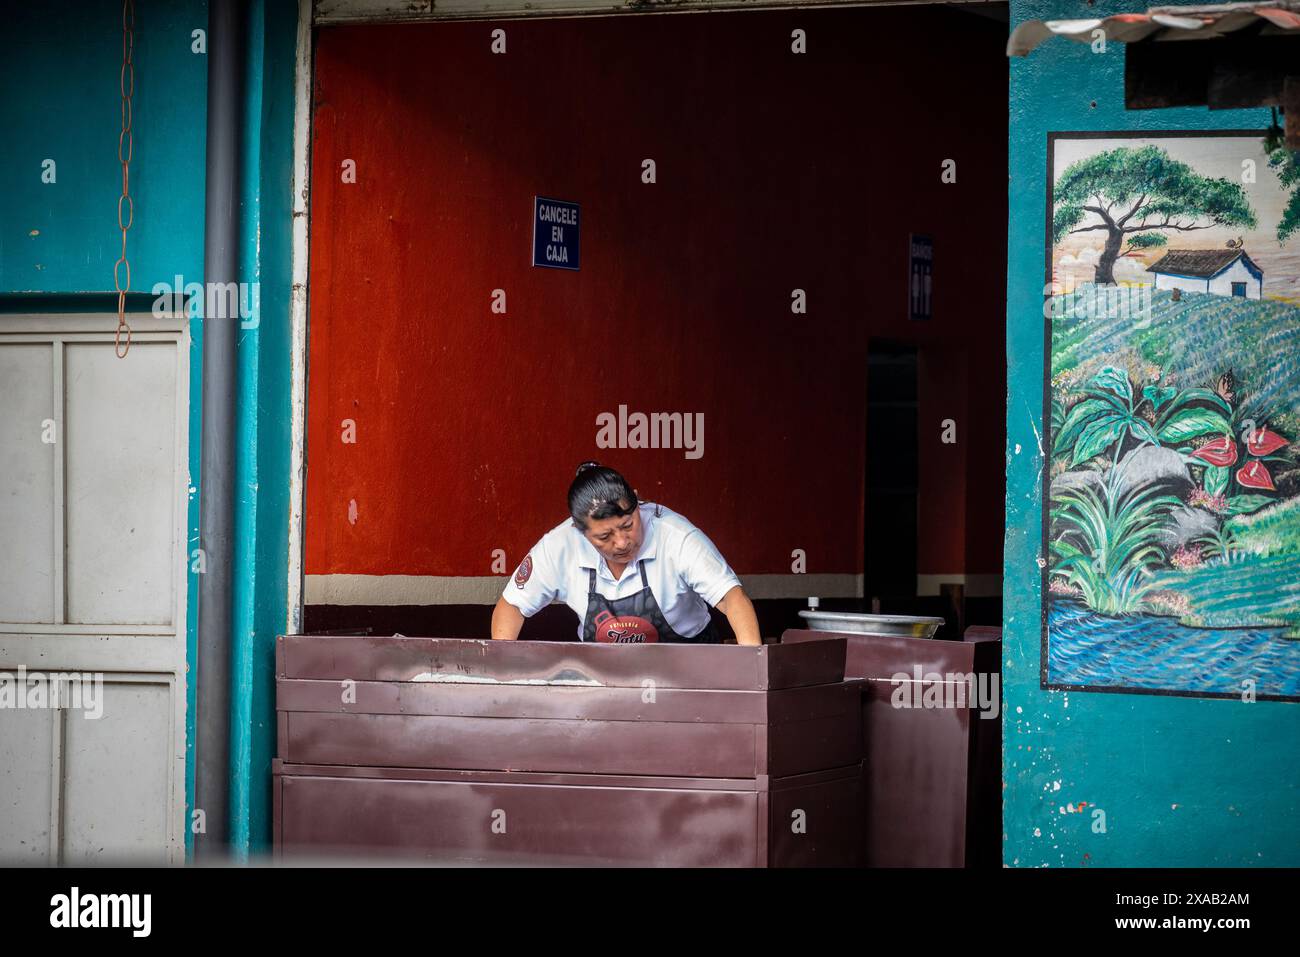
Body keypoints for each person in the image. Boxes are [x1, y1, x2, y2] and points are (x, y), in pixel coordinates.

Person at [491, 462, 762, 645]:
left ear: (637, 500)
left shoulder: (676, 536)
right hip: (606, 679)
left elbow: (732, 599)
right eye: (604, 536)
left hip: (691, 670)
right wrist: (500, 677)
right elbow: (511, 606)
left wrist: (753, 675)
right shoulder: (559, 546)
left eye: (628, 525)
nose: (622, 543)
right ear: (579, 530)